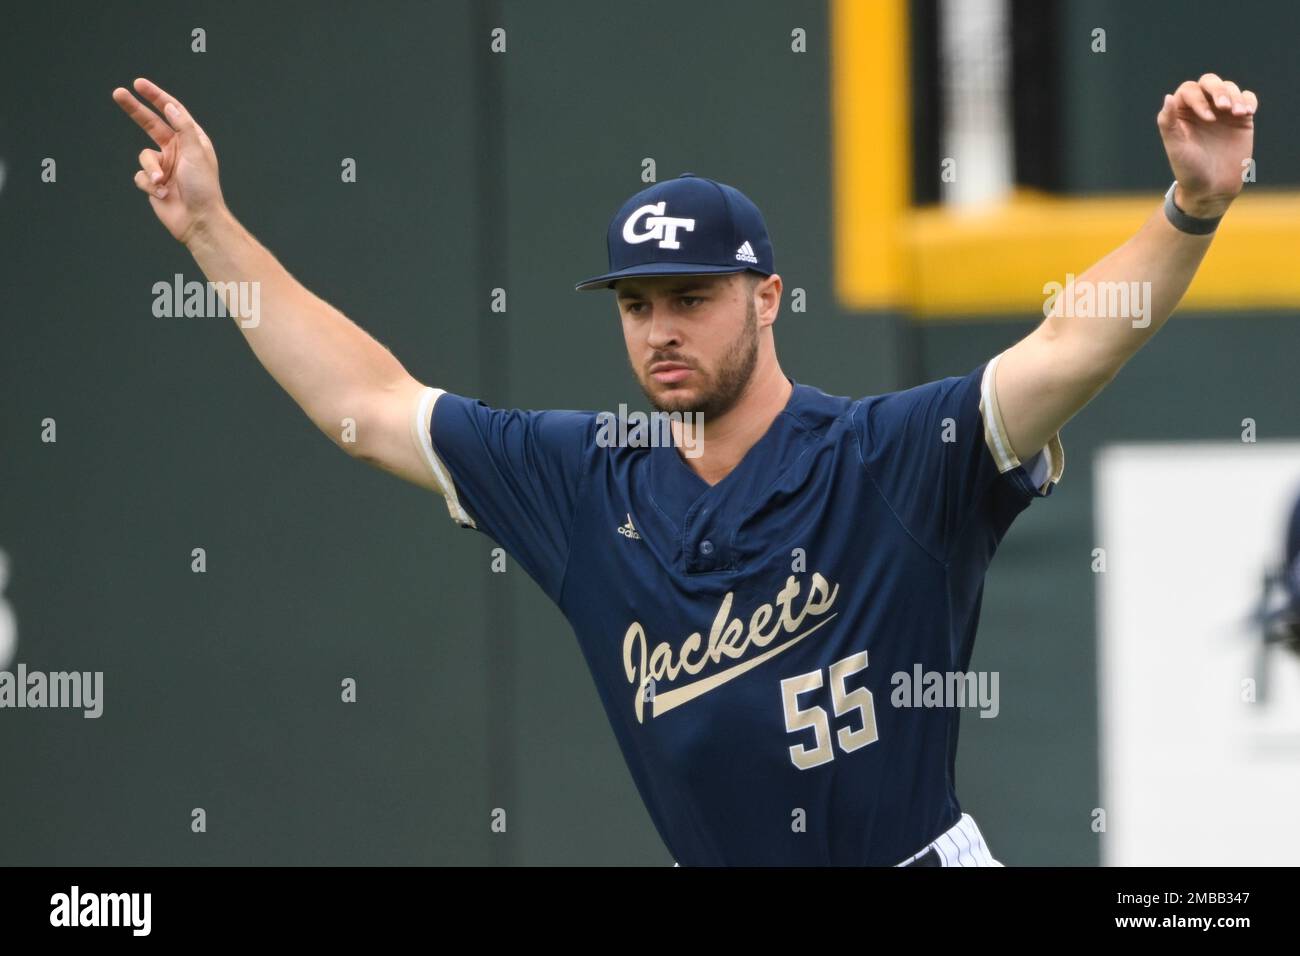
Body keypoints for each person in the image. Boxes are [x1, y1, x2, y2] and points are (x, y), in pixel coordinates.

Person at [112, 73, 1258, 865]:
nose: (661, 326)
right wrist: (211, 228)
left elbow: (1071, 342)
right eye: (639, 303)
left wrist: (1190, 206)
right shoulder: (583, 480)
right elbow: (363, 405)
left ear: (766, 296)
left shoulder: (891, 455)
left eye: (693, 297)